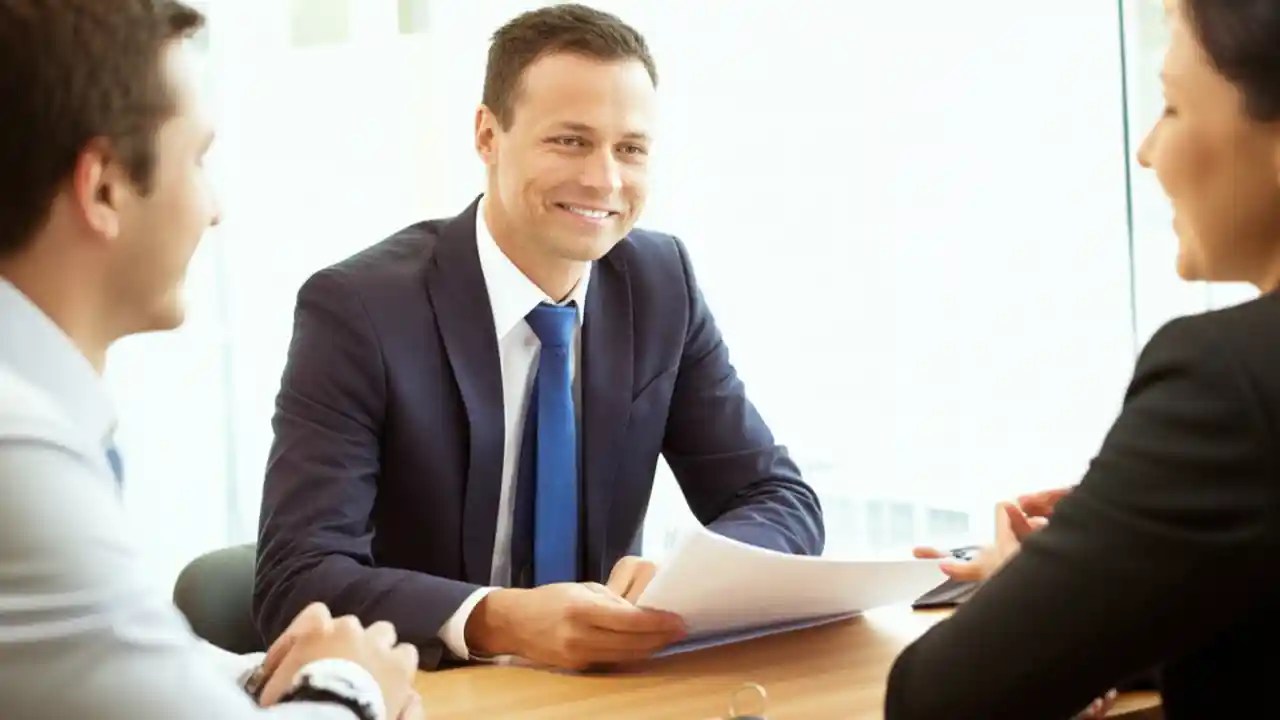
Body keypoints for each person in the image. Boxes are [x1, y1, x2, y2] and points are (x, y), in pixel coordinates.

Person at [253, 2, 825, 673]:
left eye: (630, 149)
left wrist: (682, 585)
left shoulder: (660, 282)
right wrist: (497, 618)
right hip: (430, 690)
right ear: (488, 136)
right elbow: (298, 580)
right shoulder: (360, 310)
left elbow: (779, 500)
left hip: (599, 693)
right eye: (571, 141)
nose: (605, 180)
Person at [0, 2, 422, 718]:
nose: (214, 207)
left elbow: (103, 646)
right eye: (196, 158)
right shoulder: (17, 448)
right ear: (102, 185)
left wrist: (258, 676)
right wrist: (353, 687)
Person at [886, 0, 1280, 717]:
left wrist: (1027, 594)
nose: (1147, 150)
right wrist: (1123, 572)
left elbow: (939, 700)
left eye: (1171, 106)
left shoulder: (1227, 377)